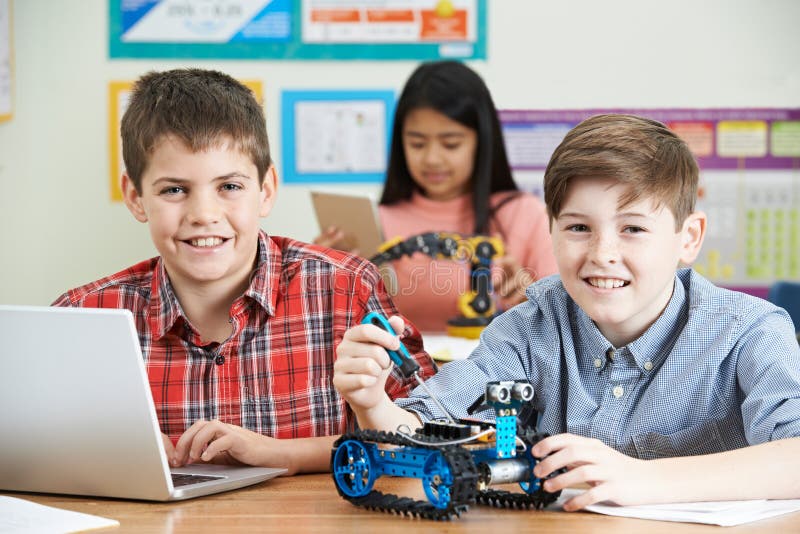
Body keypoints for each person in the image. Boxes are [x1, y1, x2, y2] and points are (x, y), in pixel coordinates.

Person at [333, 114, 800, 509]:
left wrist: (642, 479)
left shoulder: (750, 332)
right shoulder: (529, 327)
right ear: (551, 230)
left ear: (689, 238)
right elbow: (424, 432)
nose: (602, 253)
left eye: (633, 228)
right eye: (579, 227)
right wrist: (373, 402)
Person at [52, 68, 435, 476]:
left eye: (229, 187)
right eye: (174, 190)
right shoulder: (82, 317)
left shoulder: (345, 289)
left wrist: (283, 454)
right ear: (136, 197)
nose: (203, 215)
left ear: (265, 189)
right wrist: (100, 451)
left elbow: (432, 434)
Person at [315, 61, 558, 331]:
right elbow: (341, 328)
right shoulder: (373, 222)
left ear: (482, 141)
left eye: (451, 144)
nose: (432, 158)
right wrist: (326, 278)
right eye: (417, 143)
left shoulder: (525, 215)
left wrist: (532, 302)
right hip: (395, 370)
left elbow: (566, 326)